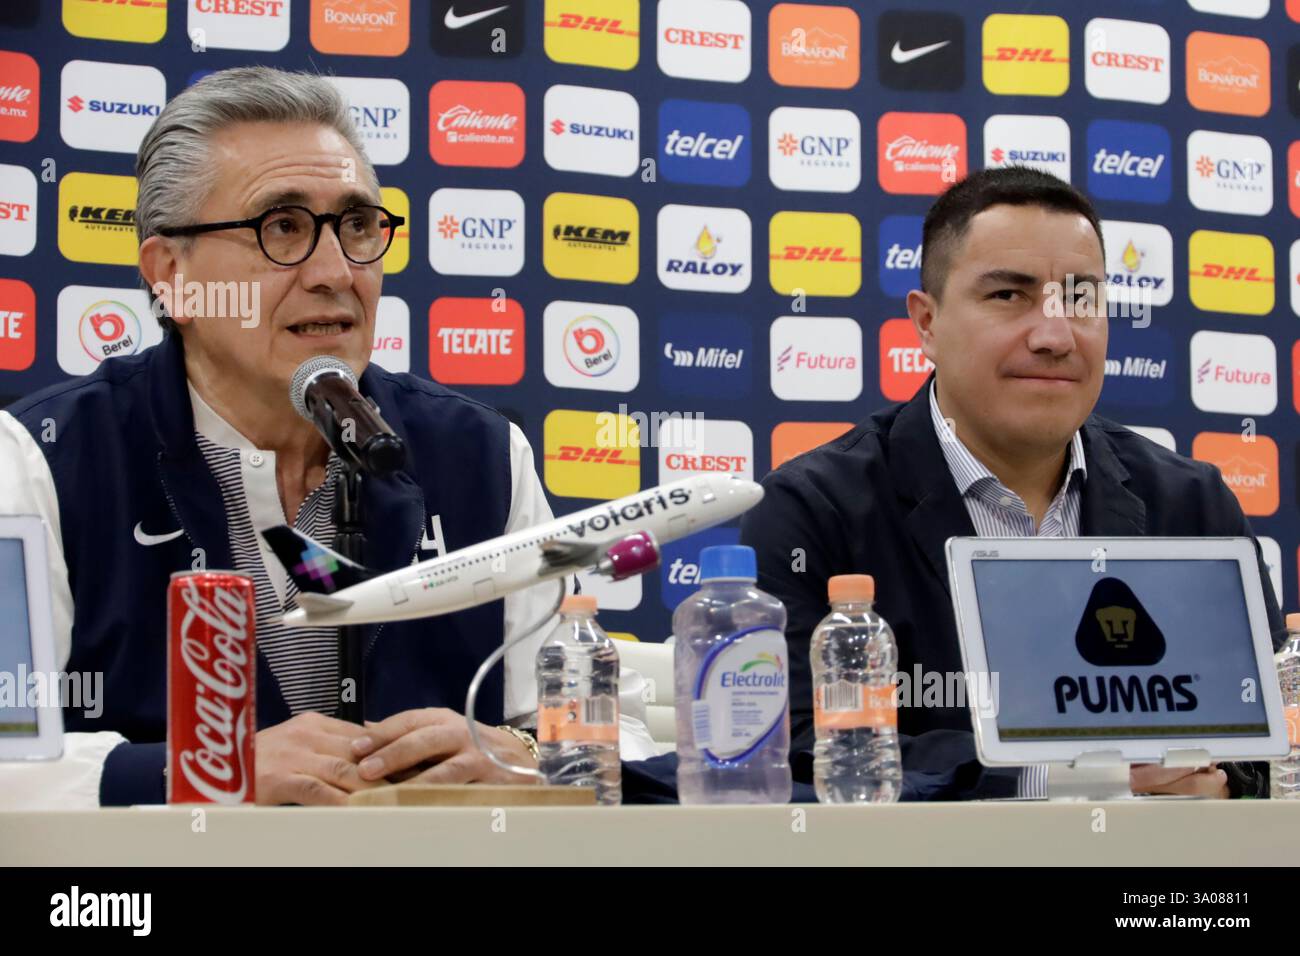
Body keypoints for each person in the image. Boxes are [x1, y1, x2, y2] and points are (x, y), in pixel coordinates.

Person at [0, 66, 654, 808]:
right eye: (282, 227)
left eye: (357, 226)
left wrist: (524, 753)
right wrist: (203, 772)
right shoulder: (41, 459)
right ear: (171, 277)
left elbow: (620, 730)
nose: (335, 271)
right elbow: (5, 755)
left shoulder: (479, 457)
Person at [740, 166, 1283, 799]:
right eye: (1009, 296)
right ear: (927, 323)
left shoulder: (1191, 506)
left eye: (1080, 297)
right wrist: (1063, 773)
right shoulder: (813, 510)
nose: (1055, 335)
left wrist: (1217, 784)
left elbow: (1276, 739)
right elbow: (795, 746)